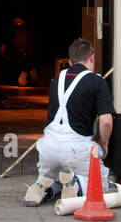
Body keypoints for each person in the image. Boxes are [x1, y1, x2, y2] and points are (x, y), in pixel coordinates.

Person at [23, 37, 114, 206]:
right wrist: (104, 143)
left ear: (70, 61)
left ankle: (45, 186)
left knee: (56, 176)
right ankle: (76, 185)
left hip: (48, 147)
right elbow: (106, 121)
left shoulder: (56, 80)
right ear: (92, 57)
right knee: (101, 184)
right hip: (77, 147)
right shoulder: (97, 82)